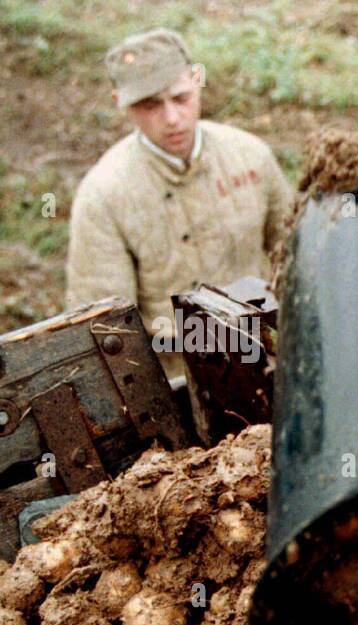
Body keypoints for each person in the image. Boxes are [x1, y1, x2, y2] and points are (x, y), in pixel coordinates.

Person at [65, 28, 293, 372]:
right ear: (120, 103)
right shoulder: (103, 195)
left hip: (269, 356)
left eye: (181, 98)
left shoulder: (251, 157)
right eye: (150, 105)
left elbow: (296, 257)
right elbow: (104, 333)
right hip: (175, 378)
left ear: (196, 82)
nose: (172, 119)